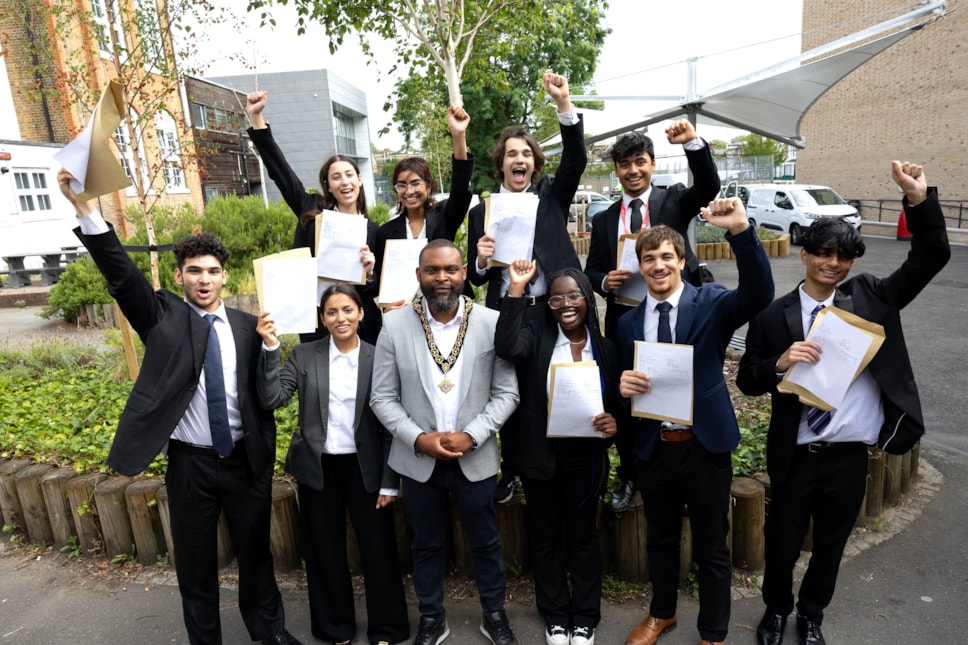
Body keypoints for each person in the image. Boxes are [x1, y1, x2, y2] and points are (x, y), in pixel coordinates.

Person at [56, 169, 301, 645]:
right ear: (179, 276)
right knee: (195, 566)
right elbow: (120, 274)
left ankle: (268, 632)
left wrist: (273, 348)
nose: (204, 279)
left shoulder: (251, 326)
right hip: (191, 466)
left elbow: (267, 394)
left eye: (212, 271)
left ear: (224, 276)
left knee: (257, 557)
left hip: (245, 463)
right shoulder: (160, 317)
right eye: (194, 271)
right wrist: (85, 208)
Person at [736, 161, 950, 645]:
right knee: (783, 543)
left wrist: (919, 200)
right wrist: (778, 362)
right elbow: (748, 380)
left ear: (851, 261)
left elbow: (932, 255)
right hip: (796, 453)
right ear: (805, 253)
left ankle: (811, 616)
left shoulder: (872, 298)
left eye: (843, 257)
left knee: (832, 544)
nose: (832, 264)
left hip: (849, 455)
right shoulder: (774, 316)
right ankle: (775, 611)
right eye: (823, 254)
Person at [619, 201, 774, 645]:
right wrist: (622, 385)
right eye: (649, 258)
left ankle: (714, 632)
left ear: (682, 262)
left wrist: (741, 230)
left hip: (704, 445)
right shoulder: (629, 322)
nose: (658, 265)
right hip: (655, 445)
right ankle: (661, 614)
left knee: (712, 545)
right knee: (661, 538)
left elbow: (759, 293)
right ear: (640, 267)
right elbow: (621, 381)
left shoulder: (711, 304)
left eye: (667, 256)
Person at [370, 239, 520, 645]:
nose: (442, 278)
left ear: (463, 274)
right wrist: (419, 438)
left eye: (450, 270)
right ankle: (433, 619)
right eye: (432, 270)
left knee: (486, 543)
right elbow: (380, 397)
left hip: (475, 456)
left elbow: (508, 393)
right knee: (425, 547)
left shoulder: (490, 321)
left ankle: (494, 614)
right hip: (419, 461)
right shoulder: (394, 324)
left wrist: (471, 435)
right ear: (419, 275)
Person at [255, 283, 409, 645]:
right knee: (324, 550)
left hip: (366, 467)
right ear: (322, 319)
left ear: (361, 314)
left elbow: (391, 422)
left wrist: (390, 480)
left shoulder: (378, 356)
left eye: (347, 310)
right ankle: (334, 627)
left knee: (378, 550)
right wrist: (271, 347)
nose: (341, 318)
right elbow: (272, 398)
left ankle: (386, 628)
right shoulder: (305, 355)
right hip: (319, 468)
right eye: (332, 312)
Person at [584, 123, 721, 513]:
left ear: (652, 164)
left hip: (680, 316)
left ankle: (690, 467)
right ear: (616, 170)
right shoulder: (606, 218)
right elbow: (593, 268)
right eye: (624, 164)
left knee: (685, 384)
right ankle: (632, 472)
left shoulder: (674, 199)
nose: (632, 170)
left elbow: (708, 185)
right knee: (629, 395)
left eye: (639, 162)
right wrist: (602, 281)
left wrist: (693, 144)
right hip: (629, 320)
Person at [467, 71, 586, 504]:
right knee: (510, 390)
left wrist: (563, 104)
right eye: (511, 154)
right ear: (501, 163)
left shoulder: (551, 197)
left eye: (526, 154)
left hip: (555, 310)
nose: (519, 160)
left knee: (554, 384)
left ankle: (561, 457)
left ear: (534, 164)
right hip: (509, 311)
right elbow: (473, 276)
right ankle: (512, 467)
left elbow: (576, 159)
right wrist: (480, 258)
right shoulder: (482, 211)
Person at [494, 263, 619, 645]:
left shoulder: (606, 349)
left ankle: (584, 617)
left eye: (574, 296)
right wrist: (515, 291)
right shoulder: (537, 337)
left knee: (583, 537)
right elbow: (506, 346)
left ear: (587, 300)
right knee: (545, 537)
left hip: (586, 459)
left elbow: (616, 408)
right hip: (541, 455)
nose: (566, 304)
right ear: (548, 304)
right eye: (557, 298)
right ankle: (555, 617)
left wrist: (613, 426)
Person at [246, 90, 381, 344]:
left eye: (349, 175)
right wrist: (257, 120)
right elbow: (281, 173)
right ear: (328, 186)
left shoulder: (373, 230)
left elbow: (374, 290)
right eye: (336, 177)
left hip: (361, 328)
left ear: (360, 180)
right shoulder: (313, 211)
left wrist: (370, 272)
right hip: (316, 321)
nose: (344, 182)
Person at [373, 106, 474, 304]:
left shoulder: (445, 215)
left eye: (415, 183)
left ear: (428, 186)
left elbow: (461, 189)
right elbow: (379, 281)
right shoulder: (385, 233)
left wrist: (458, 136)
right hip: (406, 311)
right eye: (401, 185)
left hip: (448, 304)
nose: (409, 191)